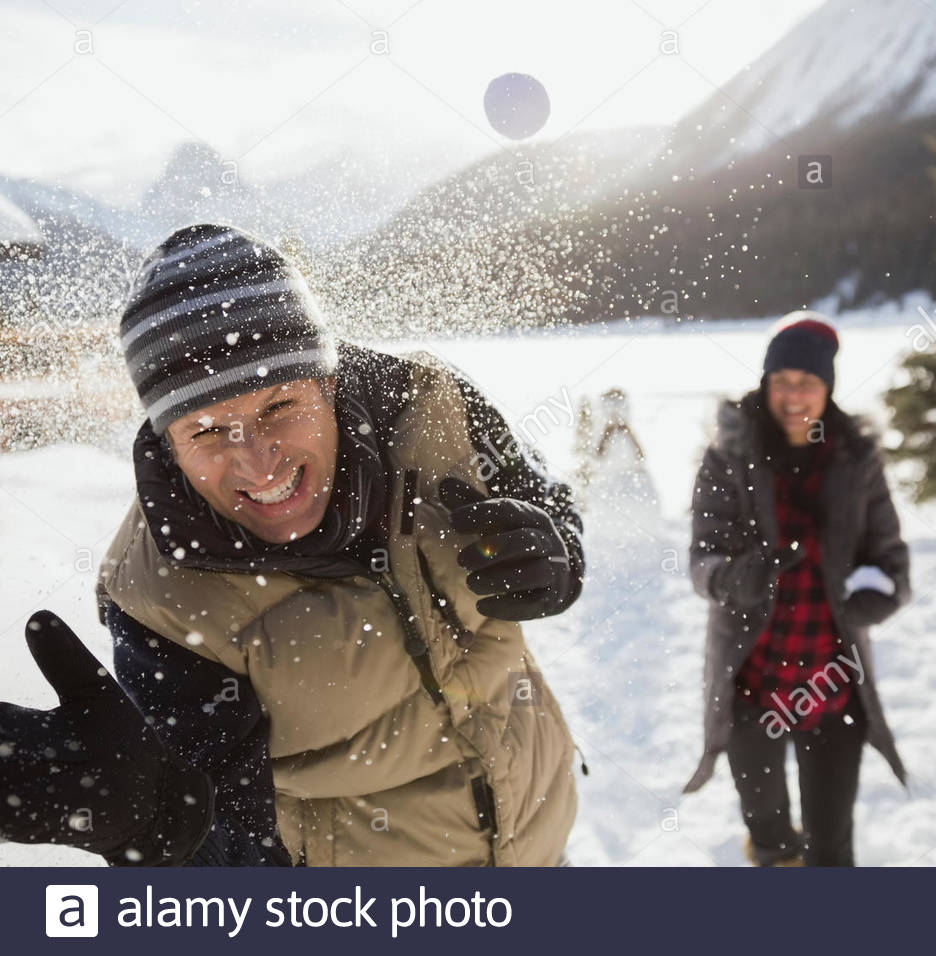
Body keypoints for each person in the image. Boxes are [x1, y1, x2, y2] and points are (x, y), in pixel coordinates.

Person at [0, 223, 585, 866]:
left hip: (545, 846)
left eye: (278, 406)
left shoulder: (433, 409)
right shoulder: (162, 602)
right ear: (169, 443)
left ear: (328, 383)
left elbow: (547, 498)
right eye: (207, 431)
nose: (258, 463)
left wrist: (557, 554)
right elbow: (238, 864)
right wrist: (162, 823)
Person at [683, 311, 911, 867]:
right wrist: (739, 578)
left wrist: (879, 595)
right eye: (782, 381)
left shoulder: (854, 460)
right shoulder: (728, 455)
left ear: (828, 388)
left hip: (833, 682)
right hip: (751, 684)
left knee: (832, 845)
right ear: (765, 382)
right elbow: (702, 559)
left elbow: (891, 560)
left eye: (807, 383)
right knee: (768, 834)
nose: (793, 395)